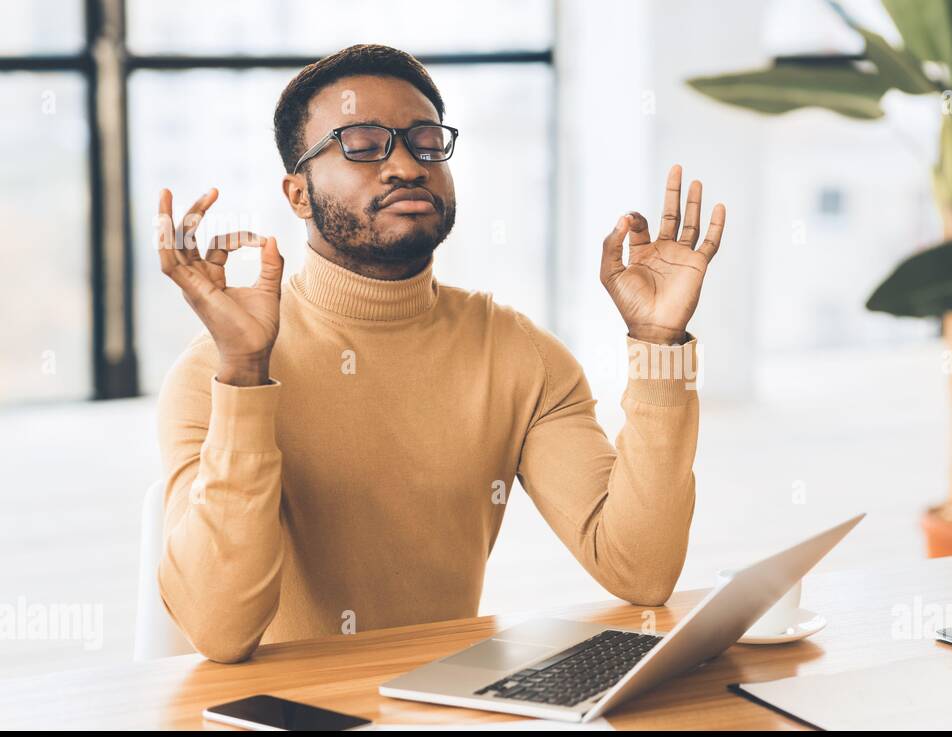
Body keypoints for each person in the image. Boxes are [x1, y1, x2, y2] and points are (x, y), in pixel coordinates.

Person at [153, 44, 725, 663]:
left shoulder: (518, 354)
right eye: (363, 144)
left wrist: (658, 346)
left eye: (425, 141)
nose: (406, 165)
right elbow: (219, 631)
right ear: (298, 194)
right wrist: (243, 377)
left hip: (445, 706)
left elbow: (640, 570)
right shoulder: (214, 371)